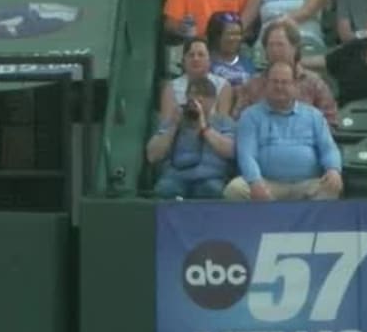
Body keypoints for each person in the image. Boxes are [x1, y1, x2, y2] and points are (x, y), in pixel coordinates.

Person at [225, 61, 344, 201]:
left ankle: (309, 223)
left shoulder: (314, 115)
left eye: (285, 82)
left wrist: (334, 169)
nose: (279, 87)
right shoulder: (250, 116)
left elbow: (329, 149)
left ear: (294, 86)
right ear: (266, 85)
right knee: (235, 190)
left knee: (332, 185)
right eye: (274, 82)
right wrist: (255, 182)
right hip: (266, 183)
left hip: (307, 184)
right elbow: (246, 155)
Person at [147, 75, 237, 200]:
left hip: (209, 178)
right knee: (165, 189)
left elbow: (231, 151)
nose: (198, 99)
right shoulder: (173, 121)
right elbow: (152, 156)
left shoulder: (224, 123)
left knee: (211, 189)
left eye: (204, 95)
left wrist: (205, 128)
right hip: (175, 178)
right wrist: (173, 127)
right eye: (193, 94)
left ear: (213, 100)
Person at [236, 22, 338, 126]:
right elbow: (239, 120)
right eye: (270, 45)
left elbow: (330, 121)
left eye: (280, 45)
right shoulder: (253, 84)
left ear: (295, 48)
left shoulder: (314, 83)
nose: (274, 50)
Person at [160, 37, 231, 120]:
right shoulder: (171, 87)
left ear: (209, 60)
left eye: (201, 55)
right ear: (184, 60)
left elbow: (223, 123)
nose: (196, 59)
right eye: (191, 55)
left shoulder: (223, 85)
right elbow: (165, 125)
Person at [207, 12, 252, 86]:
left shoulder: (247, 63)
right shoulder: (206, 64)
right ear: (216, 37)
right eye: (230, 34)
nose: (235, 38)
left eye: (238, 34)